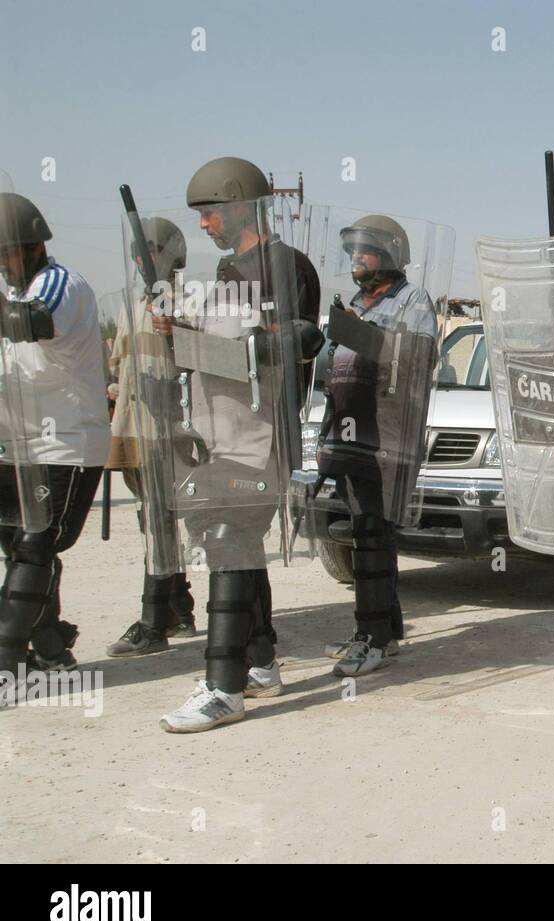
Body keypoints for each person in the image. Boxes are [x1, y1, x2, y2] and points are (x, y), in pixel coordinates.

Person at [153, 157, 321, 732]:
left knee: (227, 542)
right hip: (222, 433)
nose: (203, 225)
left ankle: (222, 687)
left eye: (210, 213)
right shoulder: (228, 271)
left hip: (263, 438)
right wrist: (181, 333)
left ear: (241, 207)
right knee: (238, 546)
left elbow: (285, 345)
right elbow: (227, 341)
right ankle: (261, 661)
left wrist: (219, 339)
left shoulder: (284, 265)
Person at [315, 214, 438, 677]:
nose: (355, 259)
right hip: (349, 430)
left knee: (373, 532)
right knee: (367, 527)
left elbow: (417, 360)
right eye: (351, 252)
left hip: (388, 435)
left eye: (364, 251)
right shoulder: (355, 303)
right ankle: (384, 632)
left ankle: (373, 637)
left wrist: (365, 338)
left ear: (388, 253)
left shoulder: (413, 301)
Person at [0, 191, 109, 688]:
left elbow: (33, 324)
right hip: (16, 443)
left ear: (30, 246)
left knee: (35, 545)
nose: (3, 265)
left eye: (5, 254)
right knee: (18, 546)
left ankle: (6, 663)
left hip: (64, 443)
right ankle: (48, 650)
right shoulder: (13, 291)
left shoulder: (60, 284)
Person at [104, 217, 197, 657]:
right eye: (139, 252)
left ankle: (152, 621)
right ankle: (179, 609)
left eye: (151, 251)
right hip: (133, 427)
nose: (143, 259)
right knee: (151, 521)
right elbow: (119, 363)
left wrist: (180, 333)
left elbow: (201, 364)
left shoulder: (188, 303)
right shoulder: (129, 303)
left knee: (160, 522)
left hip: (168, 431)